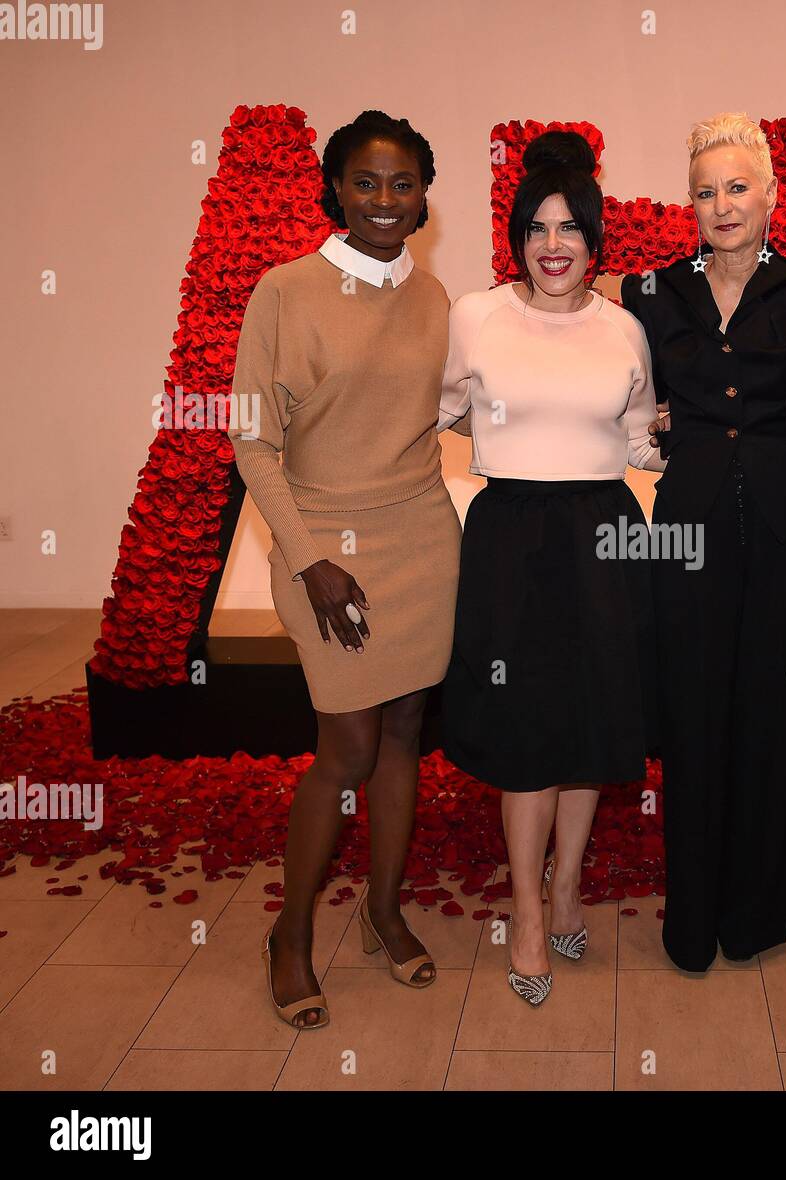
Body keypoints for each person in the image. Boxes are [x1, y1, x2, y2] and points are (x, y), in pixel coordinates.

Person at [229, 110, 464, 1029]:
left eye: (402, 185)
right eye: (365, 182)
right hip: (324, 546)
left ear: (422, 198)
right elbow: (253, 442)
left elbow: (445, 416)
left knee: (405, 727)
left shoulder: (438, 299)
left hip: (420, 538)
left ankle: (382, 912)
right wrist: (310, 556)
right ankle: (290, 936)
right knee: (348, 746)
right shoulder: (281, 292)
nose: (383, 201)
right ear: (336, 189)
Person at [439, 130, 666, 1005]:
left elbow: (643, 438)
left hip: (605, 536)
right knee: (528, 736)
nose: (553, 245)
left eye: (570, 228)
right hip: (511, 537)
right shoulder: (476, 314)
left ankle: (569, 884)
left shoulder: (626, 329)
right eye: (536, 228)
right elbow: (448, 410)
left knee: (587, 731)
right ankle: (528, 915)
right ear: (517, 240)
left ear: (596, 238)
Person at [620, 113, 786, 972]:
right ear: (690, 206)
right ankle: (693, 918)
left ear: (774, 196)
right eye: (706, 192)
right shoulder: (654, 293)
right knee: (695, 714)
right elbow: (602, 374)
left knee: (775, 719)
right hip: (688, 534)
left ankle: (758, 916)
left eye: (738, 186)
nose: (722, 204)